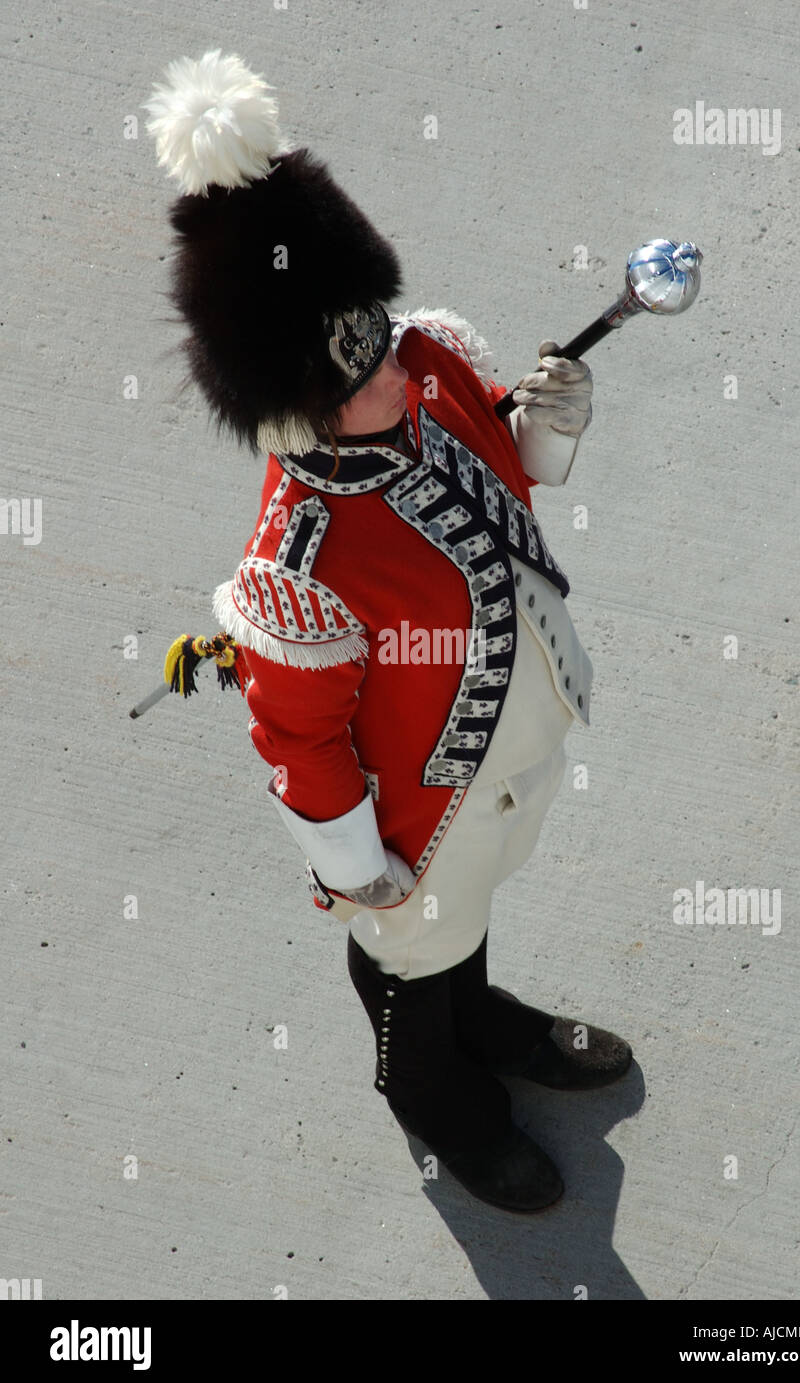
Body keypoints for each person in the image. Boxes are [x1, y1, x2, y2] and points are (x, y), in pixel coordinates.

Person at [144, 48, 633, 1214]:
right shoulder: (299, 562)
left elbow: (501, 483)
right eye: (359, 365)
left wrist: (544, 424)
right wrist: (357, 869)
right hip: (419, 819)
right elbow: (303, 744)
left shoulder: (425, 364)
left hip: (508, 766)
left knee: (471, 917)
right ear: (301, 407)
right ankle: (437, 1096)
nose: (395, 374)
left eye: (377, 330)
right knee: (416, 947)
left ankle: (481, 1013)